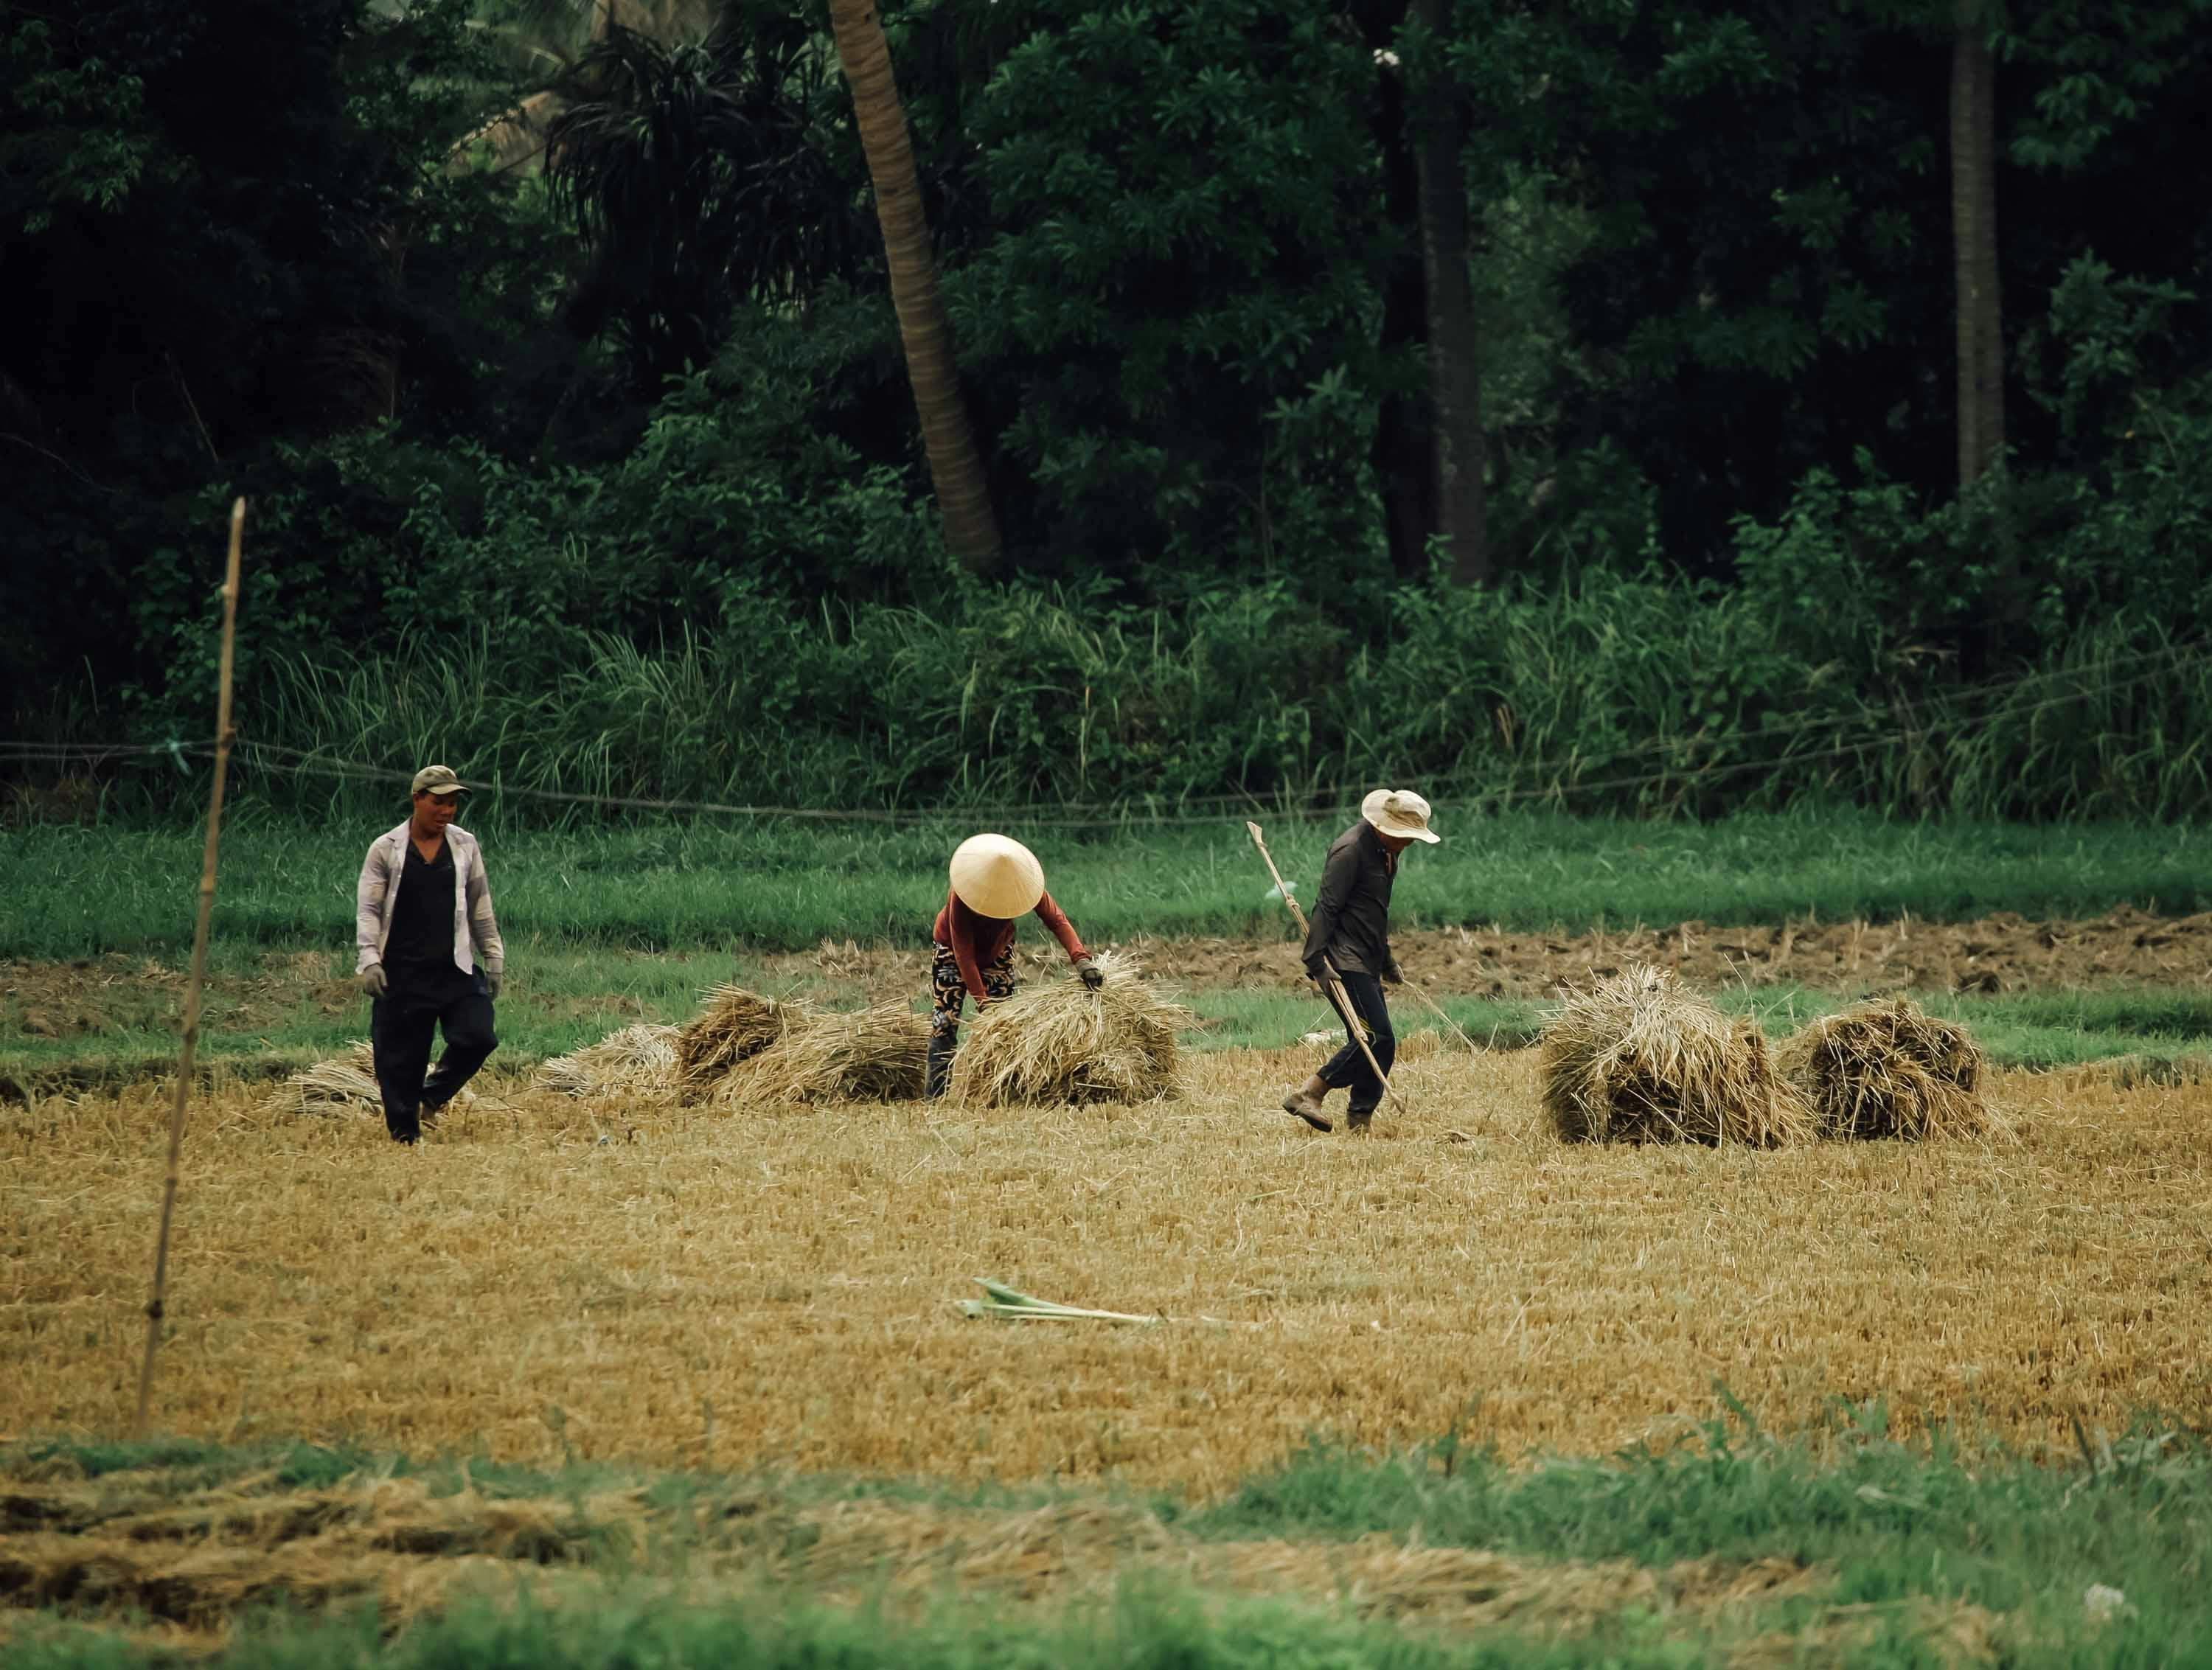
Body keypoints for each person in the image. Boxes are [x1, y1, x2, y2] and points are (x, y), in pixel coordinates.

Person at [355, 765, 505, 1144]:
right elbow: (369, 910)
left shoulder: (465, 845)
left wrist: (494, 957)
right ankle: (406, 1135)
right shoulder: (386, 850)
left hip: (453, 966)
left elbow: (479, 904)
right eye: (438, 802)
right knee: (400, 1058)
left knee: (479, 1036)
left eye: (453, 803)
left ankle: (432, 1095)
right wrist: (370, 959)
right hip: (401, 971)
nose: (447, 811)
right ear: (417, 799)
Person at [1281, 788, 1440, 1133]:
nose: (1409, 844)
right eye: (1405, 836)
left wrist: (1386, 959)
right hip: (1343, 960)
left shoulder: (1387, 853)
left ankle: (1359, 1117)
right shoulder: (1350, 851)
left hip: (1366, 958)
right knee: (1376, 1038)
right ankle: (1310, 1092)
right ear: (1384, 826)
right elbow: (1327, 907)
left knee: (1380, 1042)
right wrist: (1316, 961)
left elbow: (1374, 913)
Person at [927, 833, 1102, 1098]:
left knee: (1006, 1024)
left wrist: (1081, 959)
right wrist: (984, 1004)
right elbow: (964, 954)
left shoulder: (1024, 887)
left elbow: (1057, 921)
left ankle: (1001, 1092)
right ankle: (935, 1097)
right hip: (951, 953)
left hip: (998, 953)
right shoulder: (962, 896)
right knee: (945, 1022)